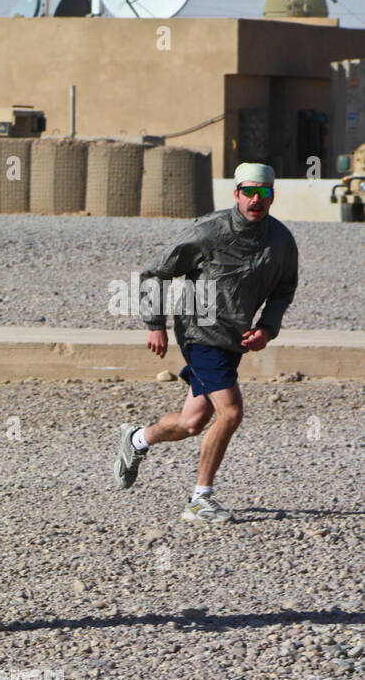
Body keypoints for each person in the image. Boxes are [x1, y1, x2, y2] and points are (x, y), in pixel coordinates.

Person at [115, 162, 299, 523]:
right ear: (236, 194)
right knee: (230, 412)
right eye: (249, 191)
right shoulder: (209, 230)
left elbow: (284, 288)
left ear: (272, 196)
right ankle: (201, 499)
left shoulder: (280, 241)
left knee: (192, 422)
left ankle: (136, 439)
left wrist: (267, 327)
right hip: (200, 331)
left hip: (234, 338)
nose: (256, 199)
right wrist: (155, 324)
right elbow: (156, 274)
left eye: (264, 193)